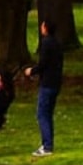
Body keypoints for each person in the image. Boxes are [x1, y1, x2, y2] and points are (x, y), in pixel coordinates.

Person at [24, 19, 64, 157]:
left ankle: (47, 146)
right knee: (48, 114)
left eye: (42, 25)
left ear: (45, 28)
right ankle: (48, 143)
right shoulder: (57, 43)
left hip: (47, 83)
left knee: (42, 114)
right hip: (55, 82)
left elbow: (43, 64)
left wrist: (32, 71)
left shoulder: (46, 43)